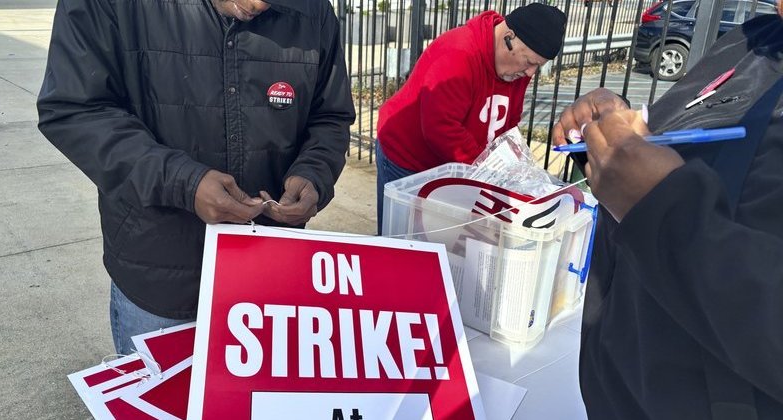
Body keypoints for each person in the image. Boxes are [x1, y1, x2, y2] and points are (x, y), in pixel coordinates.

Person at [36, 0, 355, 355]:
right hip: (159, 276)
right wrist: (183, 183)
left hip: (270, 274)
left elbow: (330, 116)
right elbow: (73, 110)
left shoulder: (313, 11)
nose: (261, 4)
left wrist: (313, 173)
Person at [550, 8, 783, 419]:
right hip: (619, 390)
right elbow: (669, 150)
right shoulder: (755, 38)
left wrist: (665, 210)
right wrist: (608, 140)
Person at [375, 4, 567, 233]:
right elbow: (440, 128)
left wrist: (511, 166)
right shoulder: (458, 54)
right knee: (401, 240)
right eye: (530, 62)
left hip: (454, 165)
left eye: (538, 66)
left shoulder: (516, 67)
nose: (530, 73)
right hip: (407, 156)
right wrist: (487, 170)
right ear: (509, 38)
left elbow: (508, 123)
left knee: (441, 239)